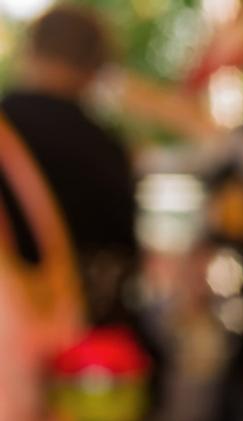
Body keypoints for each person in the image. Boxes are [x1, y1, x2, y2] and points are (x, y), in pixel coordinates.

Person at [0, 4, 137, 325]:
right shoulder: (107, 147)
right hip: (79, 341)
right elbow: (120, 261)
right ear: (93, 68)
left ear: (31, 51)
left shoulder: (6, 127)